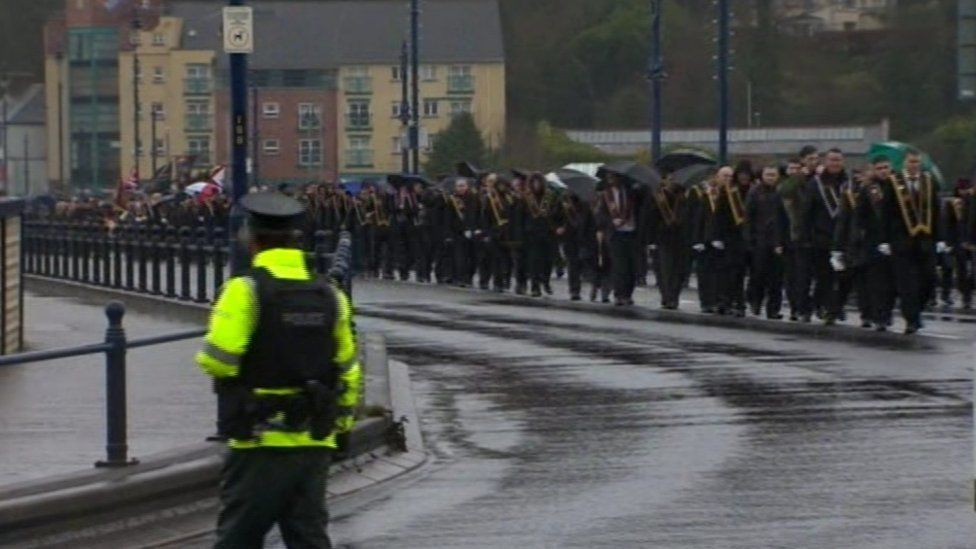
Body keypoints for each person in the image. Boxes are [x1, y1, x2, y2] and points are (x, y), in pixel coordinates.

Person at [196, 192, 362, 548]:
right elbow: (348, 369)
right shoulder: (330, 294)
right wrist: (341, 425)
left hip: (259, 441)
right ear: (296, 241)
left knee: (239, 538)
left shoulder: (245, 290)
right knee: (309, 537)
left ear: (251, 240)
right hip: (314, 441)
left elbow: (218, 358)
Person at [880, 149, 944, 334]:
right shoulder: (894, 183)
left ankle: (917, 310)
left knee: (929, 279)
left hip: (925, 240)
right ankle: (912, 320)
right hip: (901, 241)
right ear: (904, 163)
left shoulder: (929, 182)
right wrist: (884, 240)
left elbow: (936, 211)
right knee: (907, 283)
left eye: (917, 162)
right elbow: (886, 213)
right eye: (911, 162)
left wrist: (940, 238)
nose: (914, 166)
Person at [745, 165, 788, 319]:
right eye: (768, 174)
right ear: (762, 176)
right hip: (760, 240)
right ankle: (755, 301)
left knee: (776, 278)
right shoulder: (755, 192)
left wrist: (782, 241)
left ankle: (773, 309)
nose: (770, 177)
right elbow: (748, 217)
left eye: (773, 175)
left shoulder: (781, 193)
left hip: (777, 240)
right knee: (758, 274)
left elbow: (784, 219)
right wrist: (750, 239)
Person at [596, 171, 641, 306]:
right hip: (615, 234)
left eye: (613, 177)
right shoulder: (606, 195)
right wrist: (611, 221)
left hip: (631, 232)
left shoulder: (631, 192)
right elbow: (601, 215)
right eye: (608, 177)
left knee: (631, 266)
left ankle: (628, 294)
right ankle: (619, 294)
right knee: (619, 266)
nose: (610, 180)